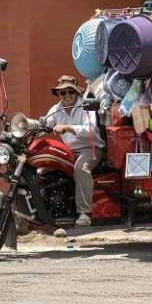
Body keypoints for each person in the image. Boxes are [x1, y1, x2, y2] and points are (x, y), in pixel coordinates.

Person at [45, 75, 105, 227]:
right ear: (58, 95)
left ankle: (84, 213)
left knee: (81, 168)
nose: (67, 96)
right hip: (69, 151)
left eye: (70, 92)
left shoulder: (85, 106)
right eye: (63, 93)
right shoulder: (55, 110)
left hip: (91, 149)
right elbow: (44, 125)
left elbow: (90, 130)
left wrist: (67, 127)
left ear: (77, 93)